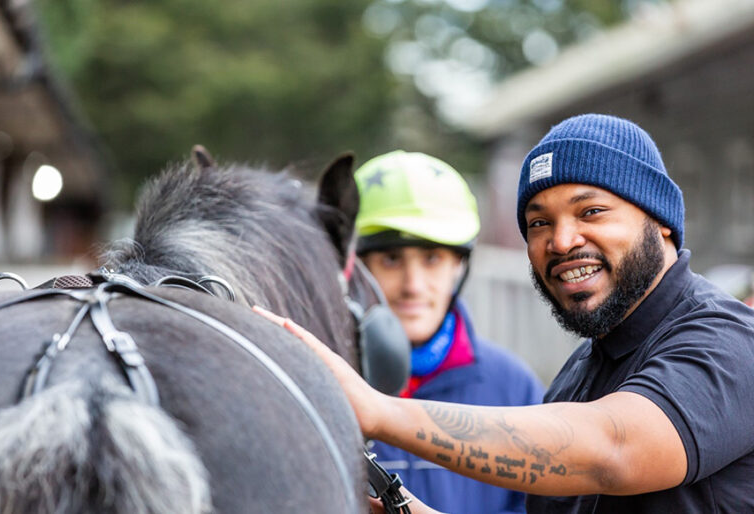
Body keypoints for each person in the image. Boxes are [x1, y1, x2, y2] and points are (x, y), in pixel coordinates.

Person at [255, 114, 754, 513]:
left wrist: (380, 412)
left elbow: (614, 448)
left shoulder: (729, 342)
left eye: (591, 211)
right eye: (539, 223)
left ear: (661, 221)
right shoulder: (577, 377)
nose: (561, 241)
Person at [353, 150, 545, 514]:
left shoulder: (514, 390)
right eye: (391, 260)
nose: (413, 285)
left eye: (432, 259)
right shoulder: (321, 384)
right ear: (355, 267)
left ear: (459, 265)